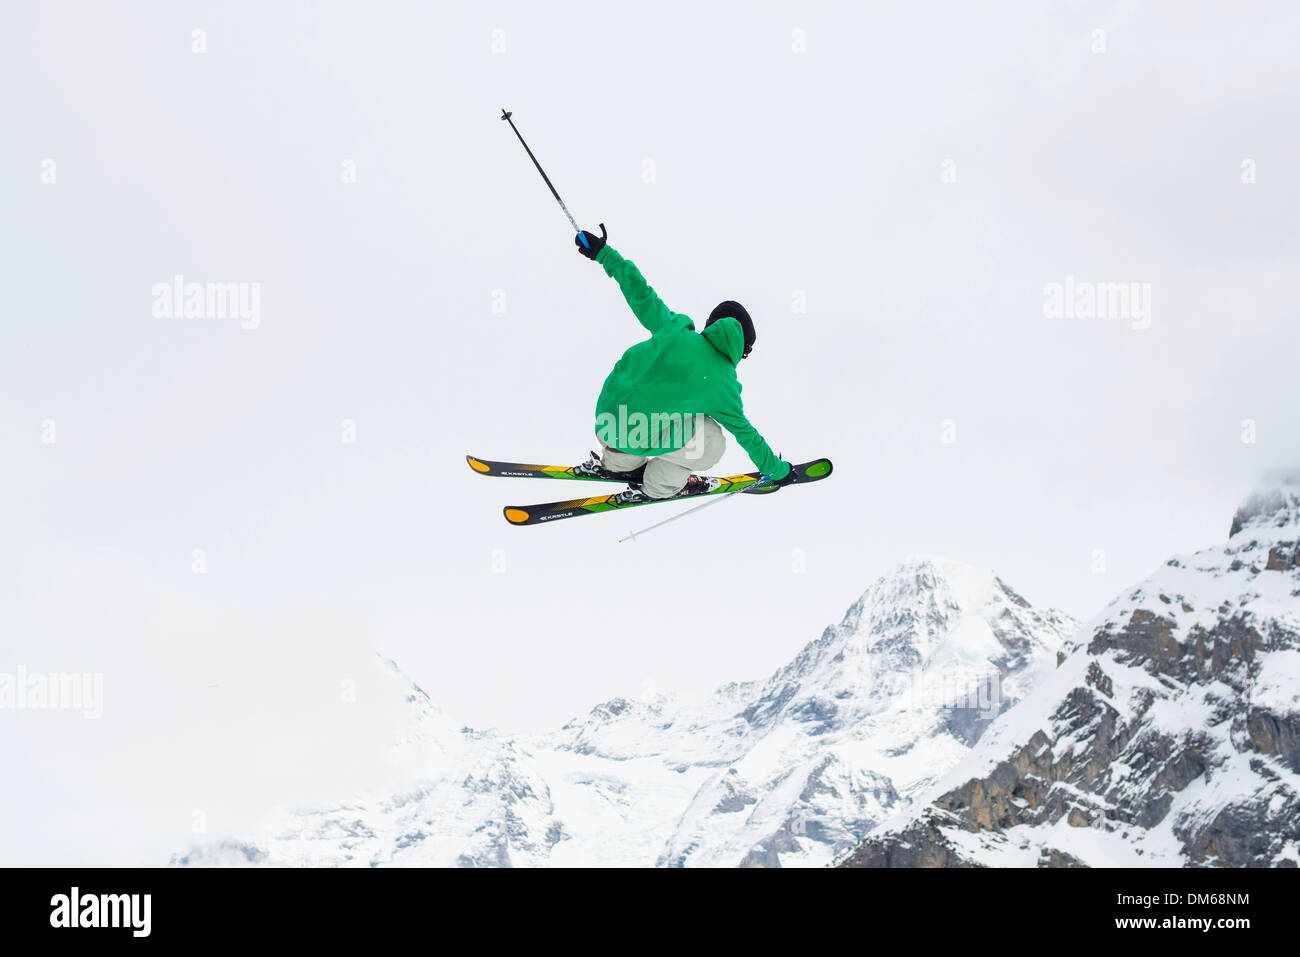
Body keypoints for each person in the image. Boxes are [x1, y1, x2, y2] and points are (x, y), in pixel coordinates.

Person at [573, 223, 795, 502]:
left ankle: (618, 464)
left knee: (667, 407)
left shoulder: (675, 329)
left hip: (605, 422)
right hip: (637, 434)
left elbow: (639, 293)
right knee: (712, 439)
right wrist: (778, 471)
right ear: (742, 347)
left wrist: (604, 254)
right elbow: (747, 436)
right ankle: (659, 486)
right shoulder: (723, 383)